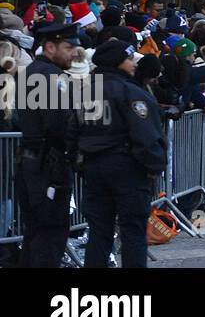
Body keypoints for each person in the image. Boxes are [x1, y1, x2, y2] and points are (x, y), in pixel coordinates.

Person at [71, 38, 168, 268]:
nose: (133, 62)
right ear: (116, 62)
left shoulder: (84, 92)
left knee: (99, 232)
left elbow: (71, 131)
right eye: (127, 58)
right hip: (127, 168)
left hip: (94, 168)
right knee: (132, 231)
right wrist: (154, 166)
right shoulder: (130, 92)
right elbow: (145, 134)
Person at [15, 20, 81, 268]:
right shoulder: (51, 76)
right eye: (68, 47)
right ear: (50, 47)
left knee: (36, 231)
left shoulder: (32, 71)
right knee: (50, 233)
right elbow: (59, 122)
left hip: (32, 160)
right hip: (48, 163)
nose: (74, 53)